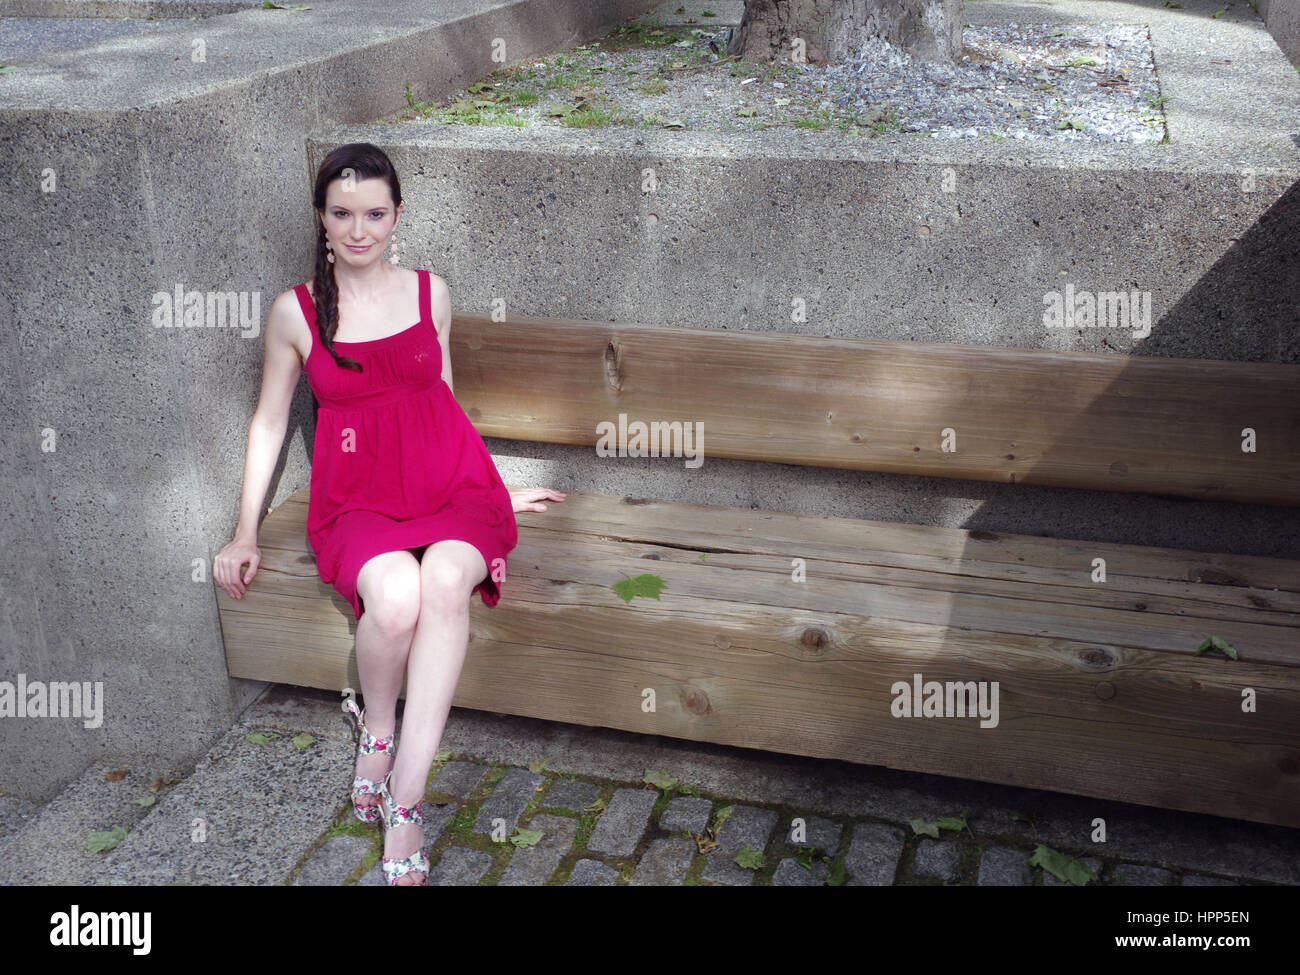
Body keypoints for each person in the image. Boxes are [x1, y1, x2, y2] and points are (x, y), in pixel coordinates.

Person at [214, 142, 565, 885]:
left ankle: (406, 801)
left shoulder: (432, 292)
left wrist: (497, 489)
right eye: (343, 214)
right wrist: (244, 530)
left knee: (442, 581)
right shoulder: (295, 312)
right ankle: (377, 723)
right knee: (398, 599)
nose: (360, 229)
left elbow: (444, 403)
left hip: (452, 489)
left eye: (375, 213)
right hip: (358, 500)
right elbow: (270, 423)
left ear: (398, 215)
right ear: (322, 219)